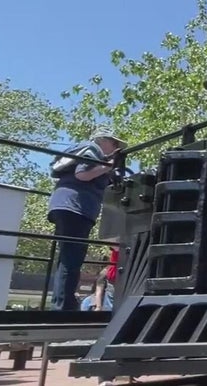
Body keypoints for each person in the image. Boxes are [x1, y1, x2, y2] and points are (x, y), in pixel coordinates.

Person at [48, 127, 126, 311]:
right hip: (76, 207)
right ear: (103, 140)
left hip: (67, 206)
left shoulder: (87, 154)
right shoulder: (93, 149)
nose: (114, 147)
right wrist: (109, 165)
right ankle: (63, 308)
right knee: (72, 258)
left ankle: (61, 304)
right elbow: (82, 174)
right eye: (113, 143)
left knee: (68, 258)